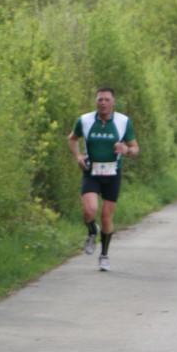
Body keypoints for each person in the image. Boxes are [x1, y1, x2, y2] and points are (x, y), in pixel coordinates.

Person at [67, 87, 139, 271]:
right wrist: (78, 156)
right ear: (96, 102)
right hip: (91, 171)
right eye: (100, 99)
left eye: (107, 99)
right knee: (89, 211)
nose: (103, 103)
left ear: (113, 102)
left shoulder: (123, 121)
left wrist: (126, 150)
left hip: (112, 174)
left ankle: (104, 255)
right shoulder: (85, 120)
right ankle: (92, 230)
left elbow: (135, 149)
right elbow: (72, 138)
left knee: (106, 217)